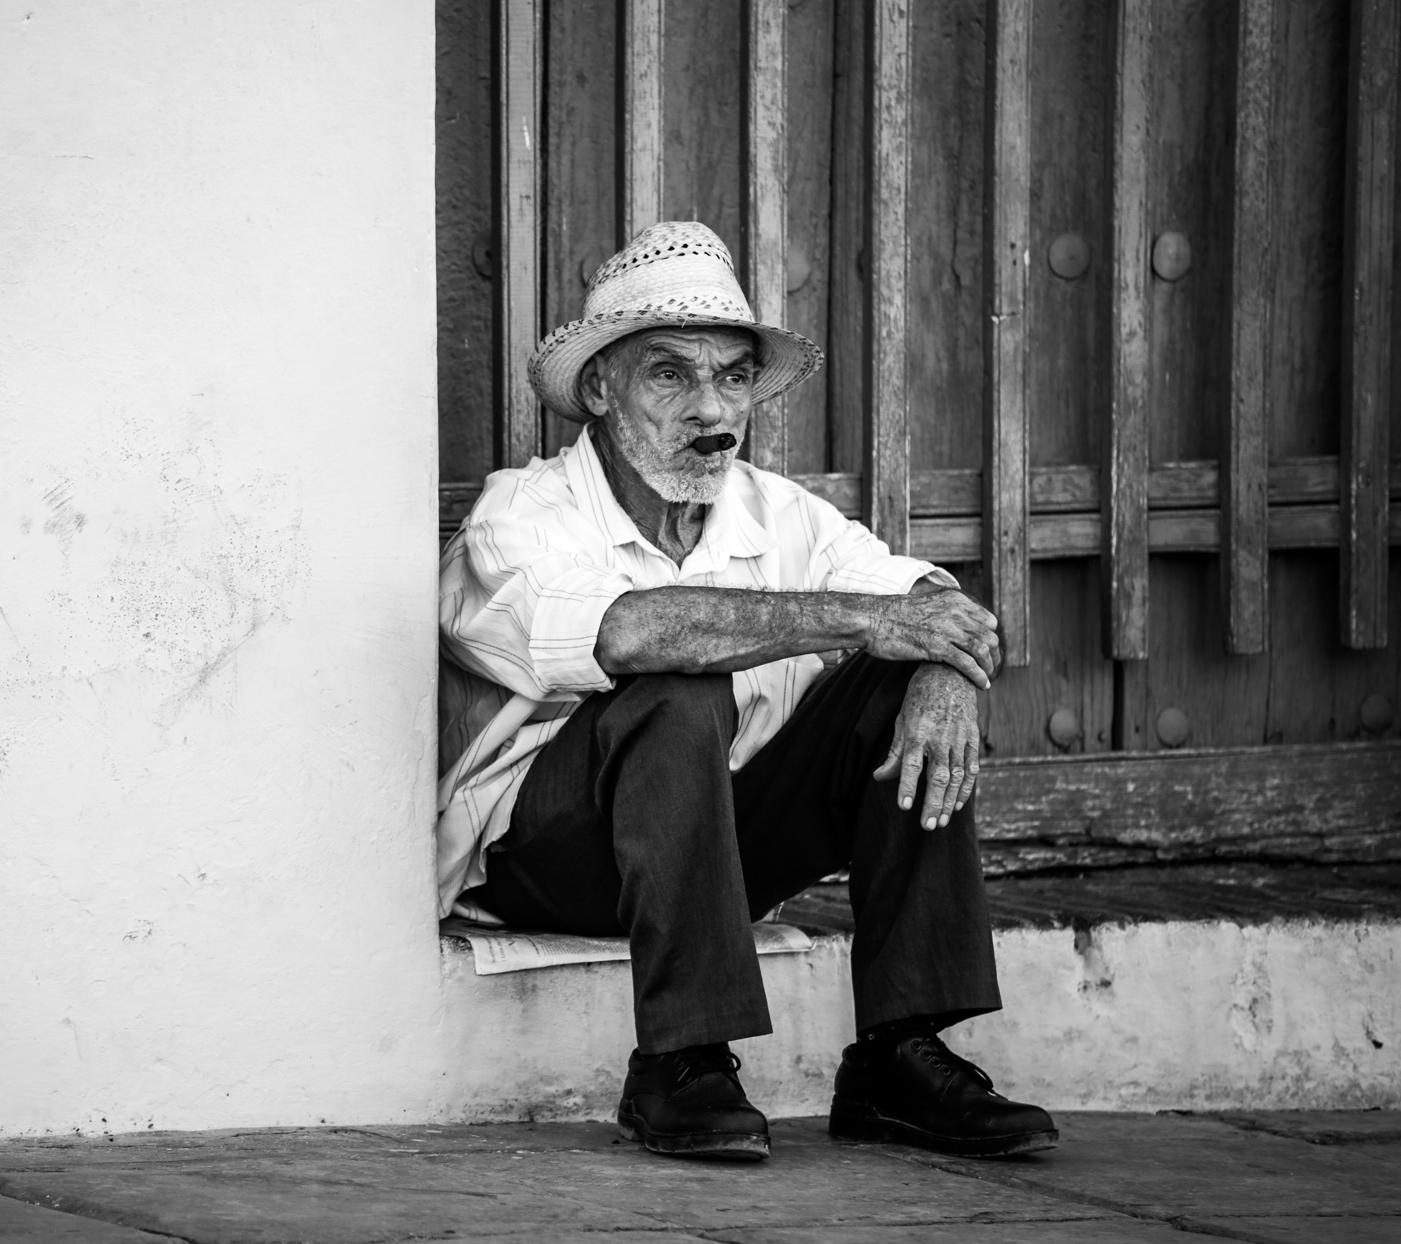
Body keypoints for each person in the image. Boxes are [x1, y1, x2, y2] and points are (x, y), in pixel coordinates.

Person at [436, 221, 1057, 1162]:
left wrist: (937, 671)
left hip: (711, 854)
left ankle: (899, 1054)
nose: (709, 408)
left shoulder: (777, 512)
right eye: (671, 375)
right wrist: (861, 622)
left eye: (730, 376)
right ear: (600, 389)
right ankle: (680, 1062)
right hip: (547, 862)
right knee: (679, 688)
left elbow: (931, 601)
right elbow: (630, 632)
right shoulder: (520, 514)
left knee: (900, 680)